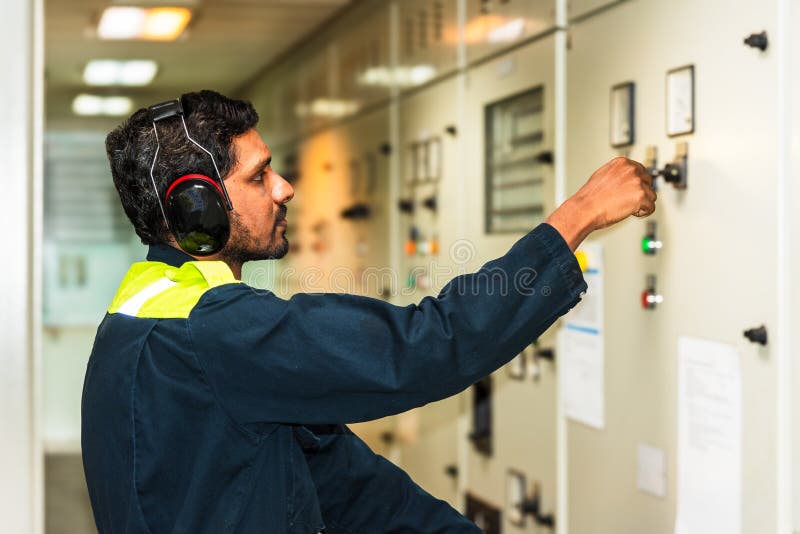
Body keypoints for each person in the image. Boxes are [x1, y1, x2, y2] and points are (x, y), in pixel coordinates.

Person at [82, 90, 656, 533]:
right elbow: (426, 346)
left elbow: (336, 476)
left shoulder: (141, 307)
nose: (284, 188)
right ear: (197, 208)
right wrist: (576, 217)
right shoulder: (215, 329)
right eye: (258, 176)